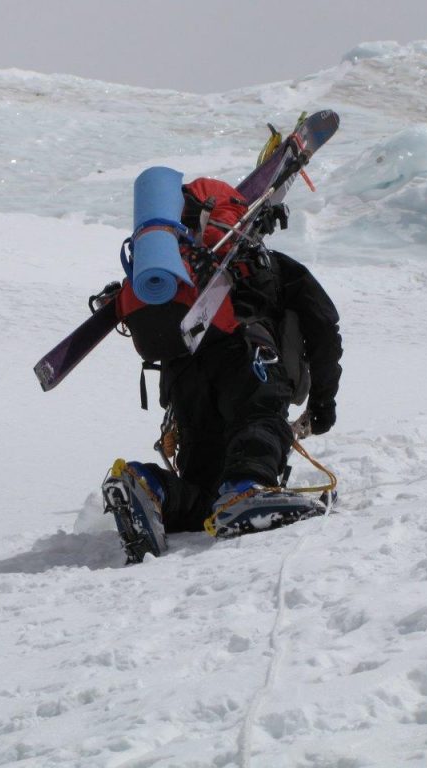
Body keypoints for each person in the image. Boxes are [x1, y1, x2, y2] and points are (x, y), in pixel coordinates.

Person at [102, 175, 342, 562]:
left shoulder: (180, 278)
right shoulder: (268, 265)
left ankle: (147, 485)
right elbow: (323, 328)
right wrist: (323, 404)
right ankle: (247, 488)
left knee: (206, 494)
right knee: (260, 420)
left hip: (184, 377)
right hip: (245, 353)